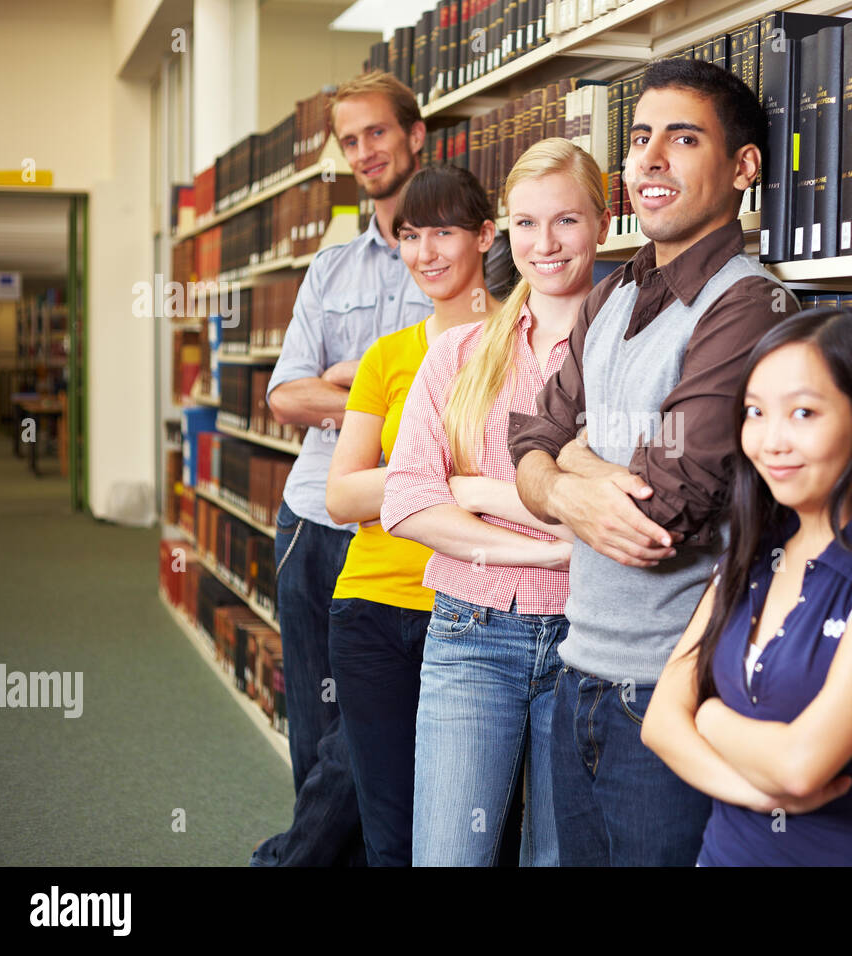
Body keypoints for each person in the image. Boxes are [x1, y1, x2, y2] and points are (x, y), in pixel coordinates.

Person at [508, 57, 797, 865]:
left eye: (682, 137)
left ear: (743, 167)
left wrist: (562, 464)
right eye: (639, 139)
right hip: (577, 674)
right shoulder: (610, 296)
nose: (650, 159)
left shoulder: (750, 303)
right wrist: (568, 474)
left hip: (670, 692)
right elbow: (525, 440)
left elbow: (665, 510)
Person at [641, 308, 852, 866]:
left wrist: (708, 717)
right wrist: (760, 795)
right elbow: (662, 722)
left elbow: (802, 766)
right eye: (756, 412)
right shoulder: (752, 548)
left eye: (803, 412)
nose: (772, 441)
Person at [381, 138, 604, 866]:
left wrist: (475, 491)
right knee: (450, 854)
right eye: (527, 223)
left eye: (566, 221)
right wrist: (549, 540)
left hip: (590, 644)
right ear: (505, 230)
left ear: (602, 222)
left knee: (555, 860)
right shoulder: (461, 354)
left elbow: (630, 492)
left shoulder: (630, 352)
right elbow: (408, 502)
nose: (546, 244)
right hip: (473, 633)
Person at [255, 71, 434, 866]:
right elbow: (283, 395)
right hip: (314, 521)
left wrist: (346, 386)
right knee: (315, 731)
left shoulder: (464, 253)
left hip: (406, 532)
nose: (364, 152)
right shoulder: (329, 269)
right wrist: (375, 400)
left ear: (416, 135)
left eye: (378, 133)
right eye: (350, 139)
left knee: (372, 733)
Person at [323, 164, 501, 866]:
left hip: (472, 611)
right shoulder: (388, 357)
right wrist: (449, 479)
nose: (426, 253)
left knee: (474, 833)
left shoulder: (517, 347)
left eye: (445, 233)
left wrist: (402, 484)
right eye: (410, 235)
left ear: (486, 235)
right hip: (368, 612)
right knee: (392, 834)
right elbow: (341, 497)